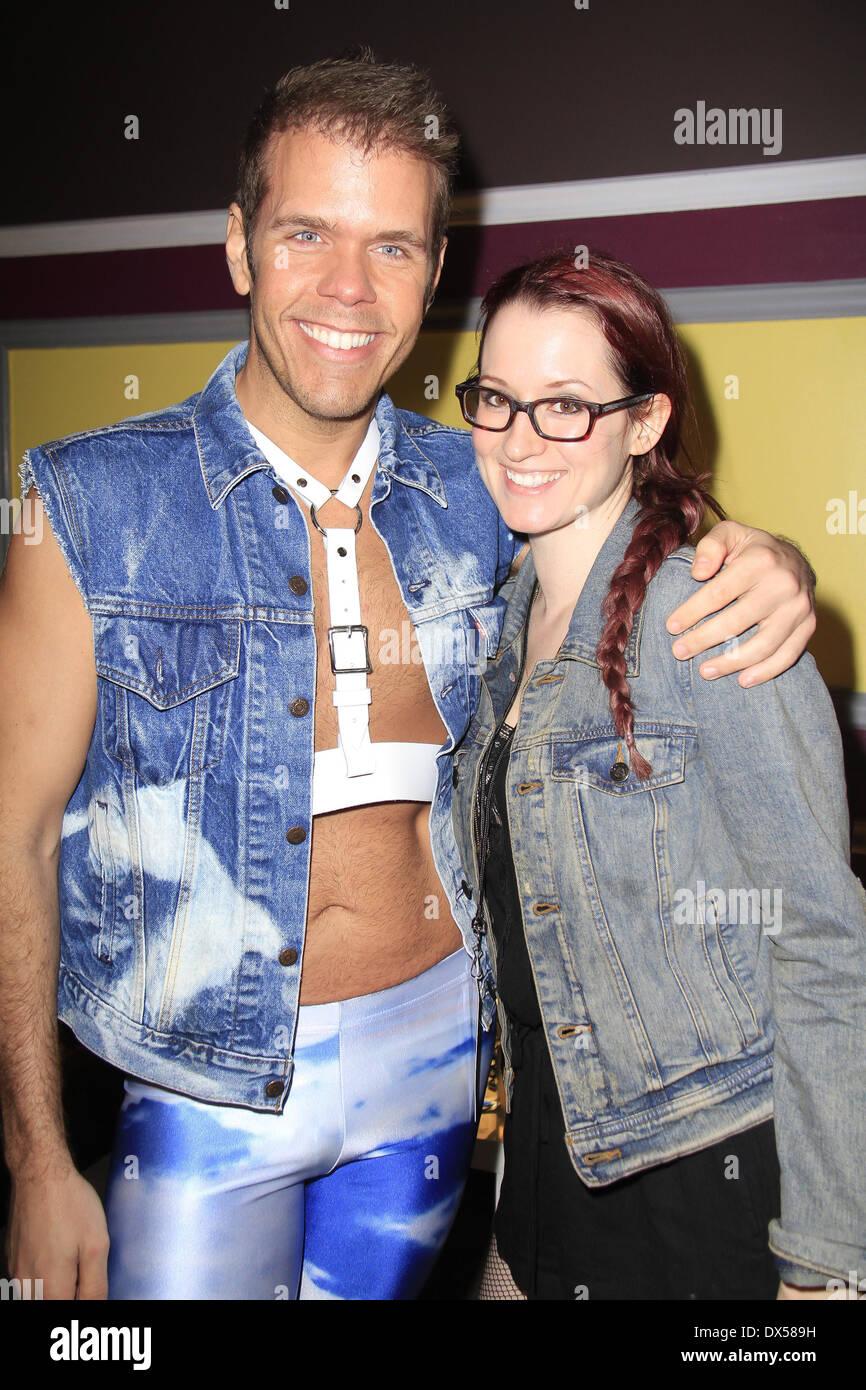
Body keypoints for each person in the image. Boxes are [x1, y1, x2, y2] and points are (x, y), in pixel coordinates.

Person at [0, 53, 818, 1302]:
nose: (346, 286)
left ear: (434, 272)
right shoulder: (91, 502)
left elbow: (623, 528)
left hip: (434, 1083)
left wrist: (763, 553)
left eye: (391, 247)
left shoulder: (481, 482)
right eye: (306, 232)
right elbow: (12, 842)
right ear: (237, 246)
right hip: (206, 1099)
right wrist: (37, 1161)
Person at [450, 247, 866, 1301]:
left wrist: (821, 1266)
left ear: (644, 423)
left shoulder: (704, 618)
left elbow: (823, 944)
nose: (516, 439)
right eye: (495, 398)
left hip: (702, 1189)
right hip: (546, 1164)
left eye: (565, 407)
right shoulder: (498, 624)